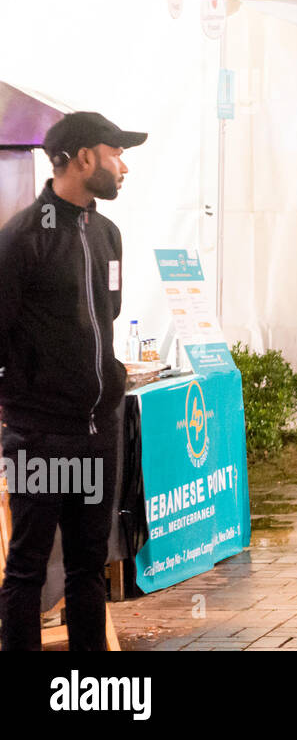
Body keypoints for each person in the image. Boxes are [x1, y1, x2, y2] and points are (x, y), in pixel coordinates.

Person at [0, 112, 146, 651]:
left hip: (96, 433)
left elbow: (106, 315)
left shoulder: (107, 233)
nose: (123, 166)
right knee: (29, 572)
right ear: (84, 157)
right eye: (116, 153)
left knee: (89, 568)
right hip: (40, 436)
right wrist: (21, 406)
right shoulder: (21, 240)